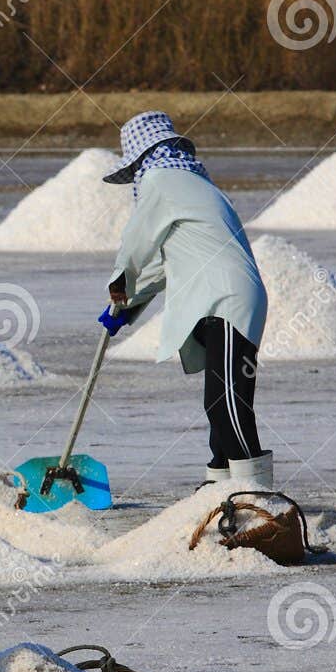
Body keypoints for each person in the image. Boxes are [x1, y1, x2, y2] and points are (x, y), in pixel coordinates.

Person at [100, 111, 274, 488]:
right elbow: (169, 265)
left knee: (228, 401)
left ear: (145, 157)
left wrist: (119, 279)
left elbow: (137, 240)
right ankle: (221, 489)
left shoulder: (162, 180)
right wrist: (127, 307)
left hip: (227, 298)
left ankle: (256, 495)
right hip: (218, 298)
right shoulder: (191, 185)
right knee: (218, 403)